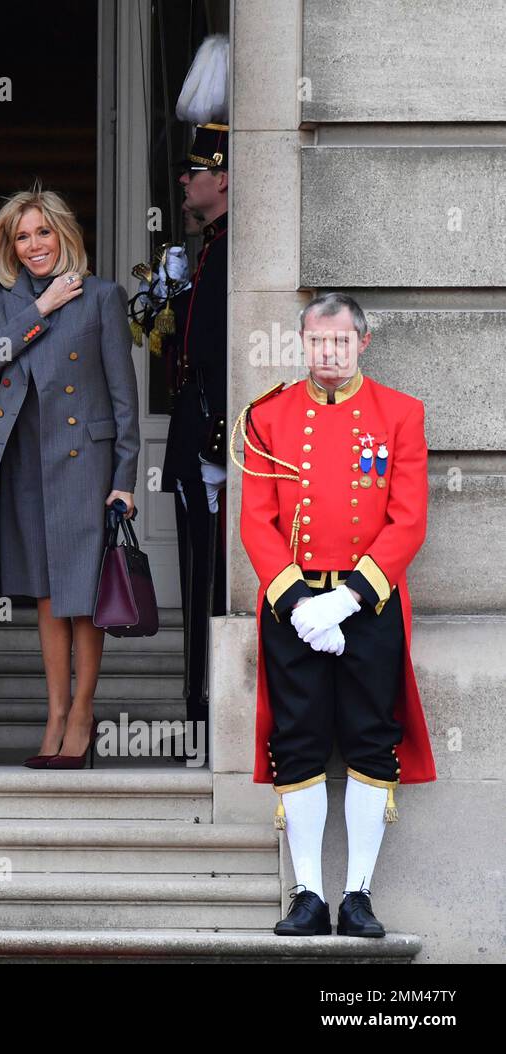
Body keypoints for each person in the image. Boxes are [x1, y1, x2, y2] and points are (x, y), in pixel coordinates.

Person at [235, 292, 435, 937]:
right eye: (318, 342)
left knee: (371, 742)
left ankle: (358, 895)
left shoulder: (401, 414)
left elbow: (408, 521)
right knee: (298, 742)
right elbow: (256, 520)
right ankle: (308, 895)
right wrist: (298, 604)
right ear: (303, 342)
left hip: (368, 605)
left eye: (341, 342)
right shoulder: (268, 417)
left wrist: (346, 599)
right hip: (291, 607)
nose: (329, 353)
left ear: (362, 343)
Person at [0, 186, 140, 770]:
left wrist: (126, 478)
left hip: (85, 466)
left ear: (63, 234)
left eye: (43, 232)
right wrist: (38, 310)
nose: (34, 245)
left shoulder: (101, 298)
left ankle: (83, 715)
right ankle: (55, 713)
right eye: (22, 236)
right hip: (27, 464)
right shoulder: (6, 302)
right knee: (45, 595)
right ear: (9, 247)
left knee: (84, 599)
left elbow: (124, 399)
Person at [162, 122, 229, 741]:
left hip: (210, 435)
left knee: (210, 579)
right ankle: (196, 702)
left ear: (225, 178)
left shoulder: (231, 249)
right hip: (191, 434)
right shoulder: (208, 248)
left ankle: (206, 706)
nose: (185, 179)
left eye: (197, 170)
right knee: (192, 574)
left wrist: (219, 432)